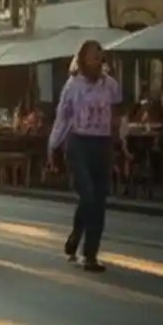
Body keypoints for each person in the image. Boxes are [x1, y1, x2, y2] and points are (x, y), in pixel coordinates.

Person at [48, 39, 122, 272]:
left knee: (98, 200)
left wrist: (120, 141)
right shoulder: (73, 86)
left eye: (99, 55)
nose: (97, 59)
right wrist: (53, 146)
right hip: (78, 142)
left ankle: (90, 254)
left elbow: (116, 115)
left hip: (102, 143)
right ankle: (78, 231)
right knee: (87, 195)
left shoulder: (110, 85)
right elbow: (62, 117)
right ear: (82, 59)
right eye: (91, 55)